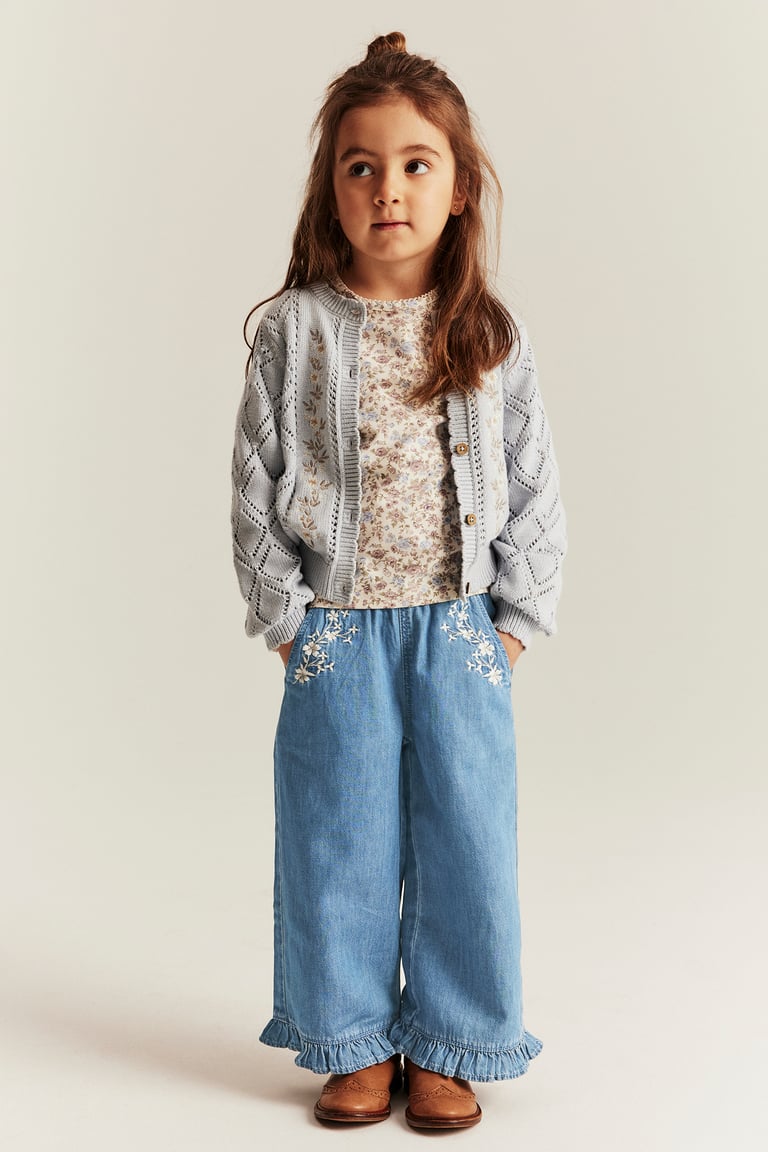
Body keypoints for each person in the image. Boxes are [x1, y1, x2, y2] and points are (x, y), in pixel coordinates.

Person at [230, 31, 567, 1131]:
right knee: (337, 839)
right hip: (337, 635)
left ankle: (451, 1041)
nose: (388, 188)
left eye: (417, 163)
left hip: (459, 633)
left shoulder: (489, 335)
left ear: (460, 187)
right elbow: (253, 485)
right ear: (330, 191)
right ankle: (354, 1039)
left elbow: (536, 486)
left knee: (469, 839)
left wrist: (510, 626)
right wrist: (290, 624)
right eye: (361, 166)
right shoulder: (291, 334)